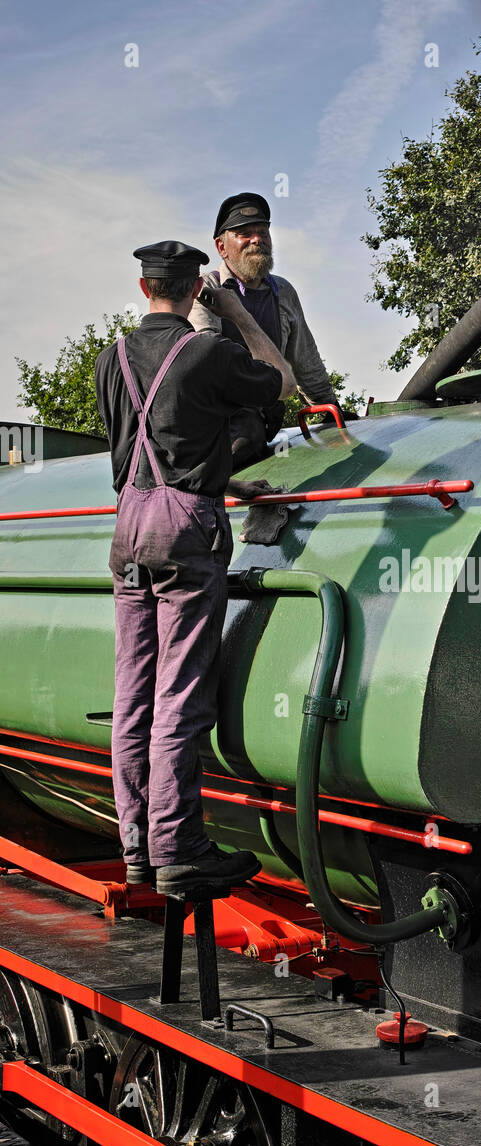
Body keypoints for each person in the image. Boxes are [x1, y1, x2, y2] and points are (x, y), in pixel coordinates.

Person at [94, 240, 295, 896]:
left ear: (143, 283)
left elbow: (141, 452)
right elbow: (279, 383)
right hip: (186, 527)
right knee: (178, 695)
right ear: (191, 288)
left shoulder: (110, 359)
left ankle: (136, 850)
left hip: (127, 524)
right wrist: (232, 310)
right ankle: (178, 845)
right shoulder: (207, 351)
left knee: (133, 696)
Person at [188, 192, 337, 467]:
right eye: (245, 233)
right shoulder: (205, 290)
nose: (257, 239)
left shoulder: (283, 292)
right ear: (221, 247)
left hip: (263, 422)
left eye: (262, 232)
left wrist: (330, 408)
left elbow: (305, 360)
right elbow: (207, 359)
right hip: (219, 420)